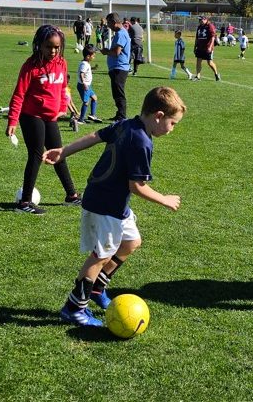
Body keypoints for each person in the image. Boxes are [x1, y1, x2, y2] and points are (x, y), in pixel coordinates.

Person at [45, 86, 185, 327]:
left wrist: (64, 151)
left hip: (111, 201)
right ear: (159, 116)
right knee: (101, 255)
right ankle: (73, 308)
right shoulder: (141, 142)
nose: (172, 130)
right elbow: (137, 186)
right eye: (173, 124)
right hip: (105, 204)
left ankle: (97, 288)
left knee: (131, 242)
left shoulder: (126, 124)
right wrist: (165, 199)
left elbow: (94, 136)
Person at [5, 25, 84, 215]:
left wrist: (62, 108)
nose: (53, 51)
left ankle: (72, 196)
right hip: (31, 115)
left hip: (50, 117)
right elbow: (19, 95)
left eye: (57, 47)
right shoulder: (30, 66)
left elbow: (64, 87)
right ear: (39, 45)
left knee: (59, 153)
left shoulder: (62, 63)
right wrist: (12, 121)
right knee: (36, 155)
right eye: (49, 47)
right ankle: (24, 203)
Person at [103, 13, 132, 121]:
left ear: (114, 22)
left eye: (109, 23)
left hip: (119, 68)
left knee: (119, 93)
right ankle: (119, 113)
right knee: (116, 92)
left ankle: (122, 116)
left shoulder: (121, 34)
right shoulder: (121, 33)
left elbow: (116, 52)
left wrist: (106, 52)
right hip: (117, 68)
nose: (108, 26)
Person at [77, 45, 103, 124]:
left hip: (88, 86)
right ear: (88, 56)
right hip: (84, 86)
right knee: (86, 102)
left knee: (94, 98)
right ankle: (81, 119)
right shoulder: (84, 64)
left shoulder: (85, 63)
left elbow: (86, 70)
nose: (94, 57)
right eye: (93, 56)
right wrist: (84, 83)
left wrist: (93, 68)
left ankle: (92, 115)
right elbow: (81, 74)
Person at [193, 16, 221, 81]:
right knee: (198, 61)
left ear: (205, 19)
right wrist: (195, 47)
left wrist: (210, 47)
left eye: (201, 20)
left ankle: (216, 74)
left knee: (210, 62)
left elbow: (213, 37)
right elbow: (197, 38)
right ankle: (198, 76)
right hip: (200, 47)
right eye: (199, 20)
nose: (200, 21)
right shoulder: (199, 27)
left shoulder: (210, 26)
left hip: (207, 47)